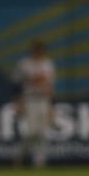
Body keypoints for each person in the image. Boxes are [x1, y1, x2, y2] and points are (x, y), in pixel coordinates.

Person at [15, 37, 55, 169]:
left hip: (43, 100)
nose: (38, 52)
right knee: (31, 131)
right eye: (36, 49)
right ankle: (20, 156)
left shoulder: (48, 64)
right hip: (29, 99)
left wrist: (52, 106)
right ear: (32, 50)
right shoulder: (24, 64)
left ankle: (40, 162)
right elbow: (17, 85)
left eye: (40, 49)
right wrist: (18, 102)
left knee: (43, 132)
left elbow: (50, 86)